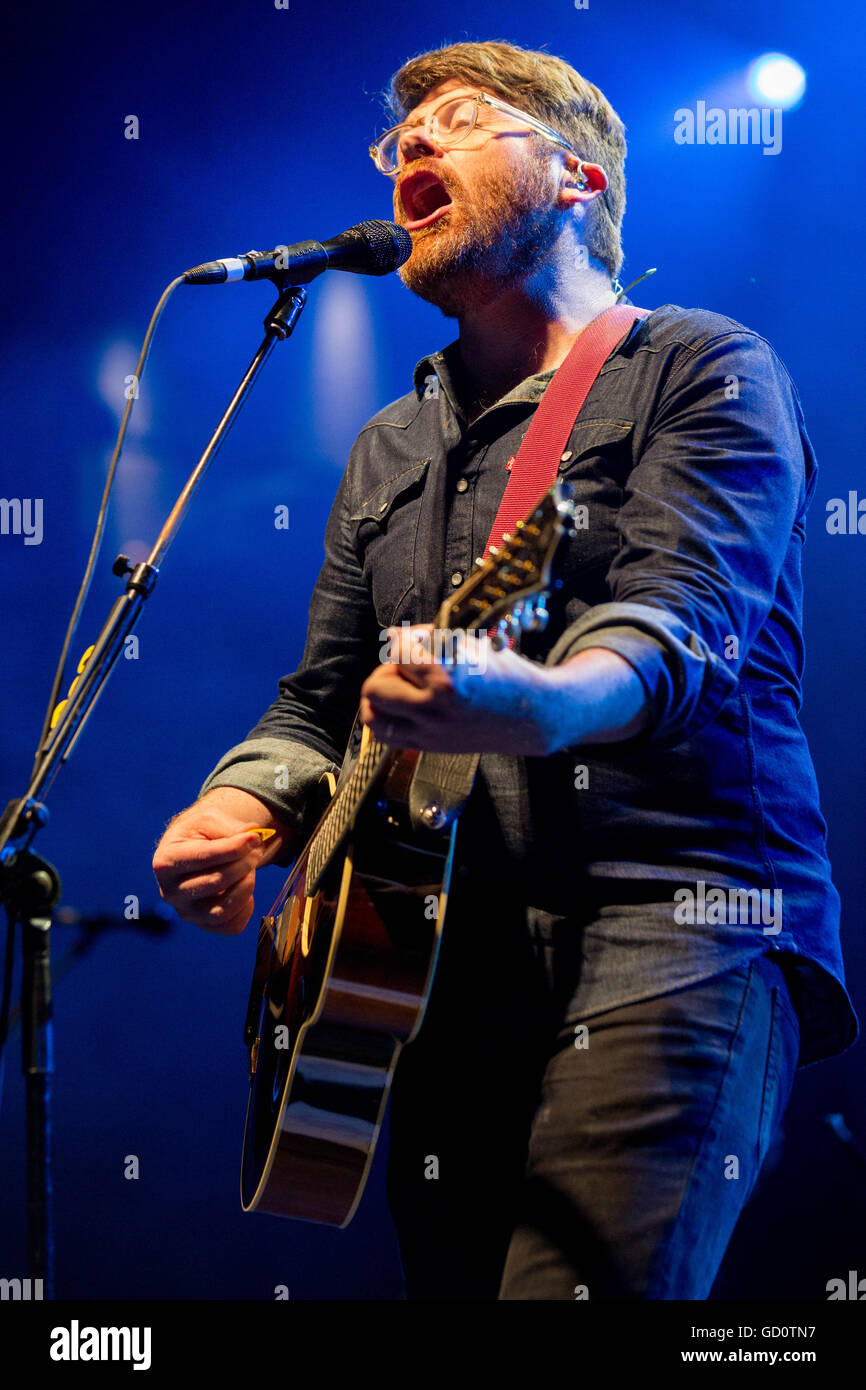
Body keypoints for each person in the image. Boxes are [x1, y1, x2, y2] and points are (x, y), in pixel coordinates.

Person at [152, 40, 858, 1300]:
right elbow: (320, 702)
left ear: (578, 177)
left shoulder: (699, 366)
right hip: (427, 980)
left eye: (462, 121)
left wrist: (536, 705)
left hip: (666, 933)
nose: (413, 146)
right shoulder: (387, 444)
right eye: (399, 137)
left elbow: (681, 623)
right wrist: (243, 805)